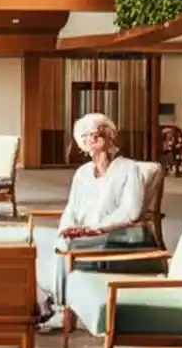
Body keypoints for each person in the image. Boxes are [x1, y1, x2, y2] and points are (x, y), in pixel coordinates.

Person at [34, 113, 148, 320]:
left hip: (117, 234)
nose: (91, 138)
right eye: (85, 135)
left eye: (97, 133)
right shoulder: (83, 173)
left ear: (110, 135)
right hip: (86, 233)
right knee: (39, 237)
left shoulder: (129, 169)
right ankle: (52, 298)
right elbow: (72, 209)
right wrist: (67, 228)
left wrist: (96, 228)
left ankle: (60, 307)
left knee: (63, 246)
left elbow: (131, 211)